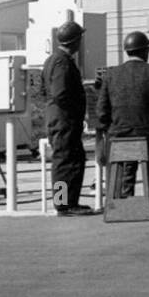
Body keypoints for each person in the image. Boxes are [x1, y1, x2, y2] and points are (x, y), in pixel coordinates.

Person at [97, 31, 149, 217]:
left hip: (119, 135)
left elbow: (101, 112)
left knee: (128, 163)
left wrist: (112, 129)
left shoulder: (111, 75)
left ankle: (125, 204)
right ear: (146, 51)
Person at [43, 21, 93, 215]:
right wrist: (75, 110)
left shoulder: (52, 60)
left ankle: (68, 202)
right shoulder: (62, 62)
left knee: (72, 160)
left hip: (59, 118)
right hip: (64, 120)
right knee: (64, 163)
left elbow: (45, 91)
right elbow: (60, 93)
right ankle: (63, 205)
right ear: (76, 41)